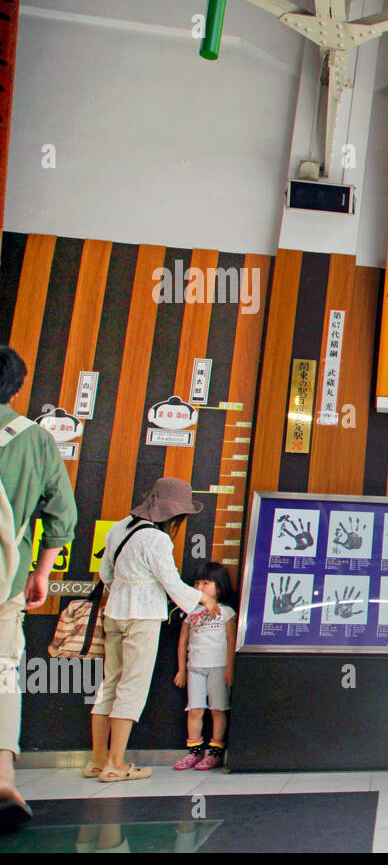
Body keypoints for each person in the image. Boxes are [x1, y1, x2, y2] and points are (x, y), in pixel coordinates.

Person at [88, 478, 218, 781]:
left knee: (110, 684)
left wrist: (123, 591)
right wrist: (203, 598)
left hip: (114, 612)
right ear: (174, 514)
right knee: (132, 687)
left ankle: (96, 760)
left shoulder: (119, 527)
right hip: (142, 616)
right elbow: (171, 582)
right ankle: (116, 765)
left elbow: (105, 573)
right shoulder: (158, 540)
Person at [0, 346, 77, 826]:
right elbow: (61, 515)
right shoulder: (35, 440)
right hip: (5, 582)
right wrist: (41, 573)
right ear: (16, 386)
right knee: (3, 674)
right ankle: (3, 778)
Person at [172, 561, 238, 771]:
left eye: (206, 583)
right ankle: (194, 750)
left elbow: (231, 640)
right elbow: (183, 642)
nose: (200, 587)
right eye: (197, 583)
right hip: (194, 668)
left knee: (218, 710)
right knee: (195, 709)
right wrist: (182, 669)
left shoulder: (227, 612)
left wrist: (230, 668)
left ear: (219, 585)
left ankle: (215, 751)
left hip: (218, 668)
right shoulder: (191, 612)